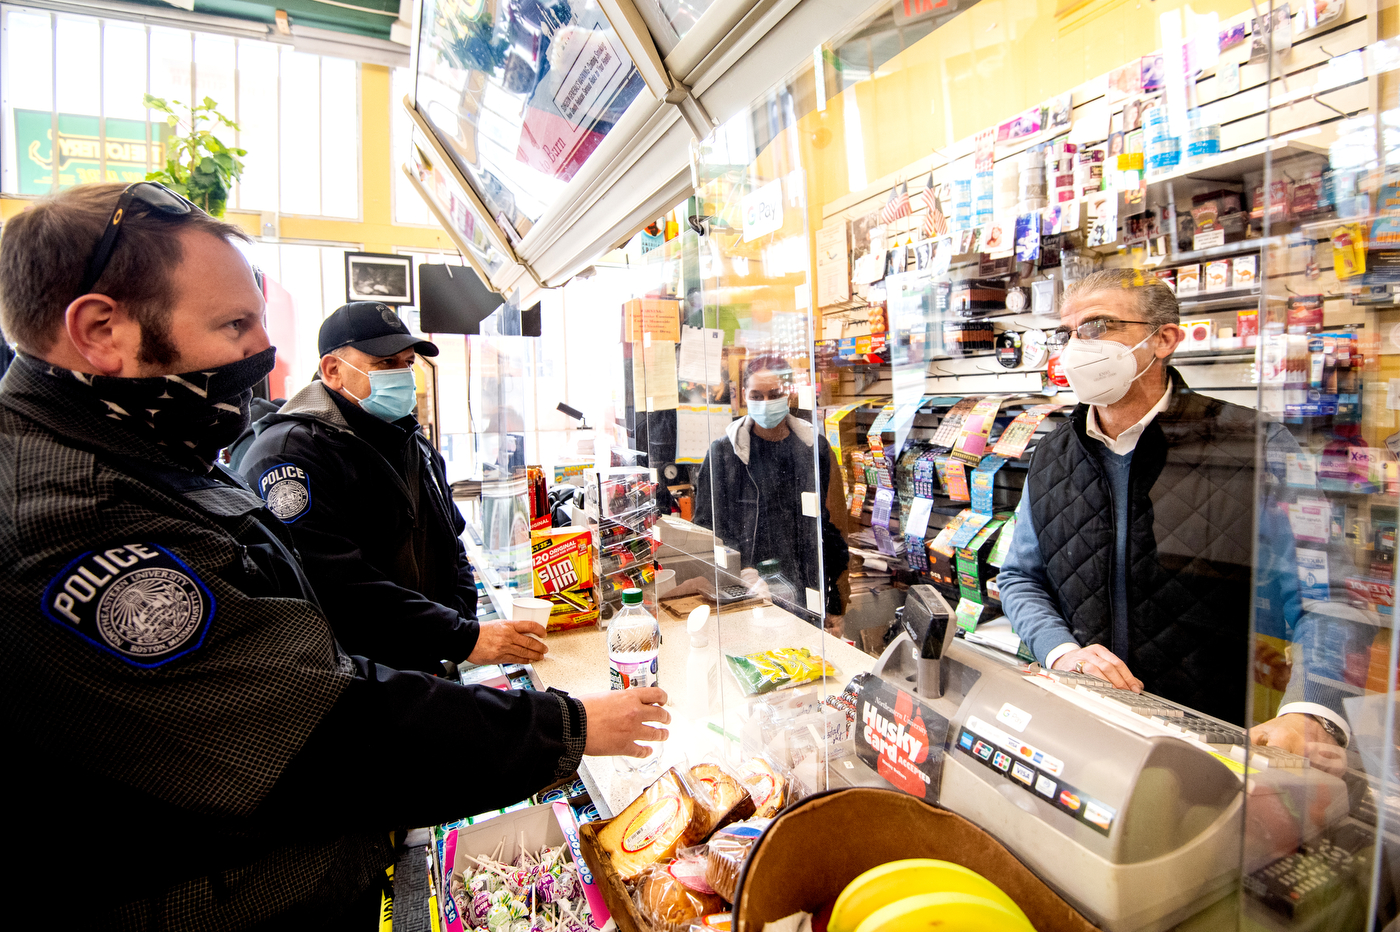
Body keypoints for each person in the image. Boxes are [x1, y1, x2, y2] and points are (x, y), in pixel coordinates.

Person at [0, 182, 669, 928]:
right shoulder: (70, 522)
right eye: (233, 325)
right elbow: (320, 725)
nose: (262, 353)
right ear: (100, 330)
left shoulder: (150, 453)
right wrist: (561, 726)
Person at [999, 269, 1348, 757]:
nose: (1076, 346)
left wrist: (1310, 711)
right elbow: (1020, 577)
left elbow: (1325, 594)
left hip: (1216, 734)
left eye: (1098, 326)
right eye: (1067, 333)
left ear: (1163, 339)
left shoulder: (1254, 444)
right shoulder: (1054, 452)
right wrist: (1062, 652)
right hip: (1086, 724)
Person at [240, 303, 544, 675]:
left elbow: (452, 545)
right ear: (333, 371)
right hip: (363, 684)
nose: (402, 374)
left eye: (407, 362)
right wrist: (458, 636)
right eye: (385, 364)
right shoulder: (289, 455)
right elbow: (338, 585)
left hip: (427, 665)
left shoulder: (413, 442)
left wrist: (457, 629)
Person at [692, 355, 849, 625]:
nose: (765, 403)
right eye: (757, 395)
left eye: (774, 394)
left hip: (804, 591)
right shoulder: (723, 454)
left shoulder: (814, 449)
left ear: (788, 394)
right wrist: (740, 571)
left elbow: (826, 528)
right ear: (744, 396)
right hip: (747, 594)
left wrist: (833, 600)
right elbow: (707, 529)